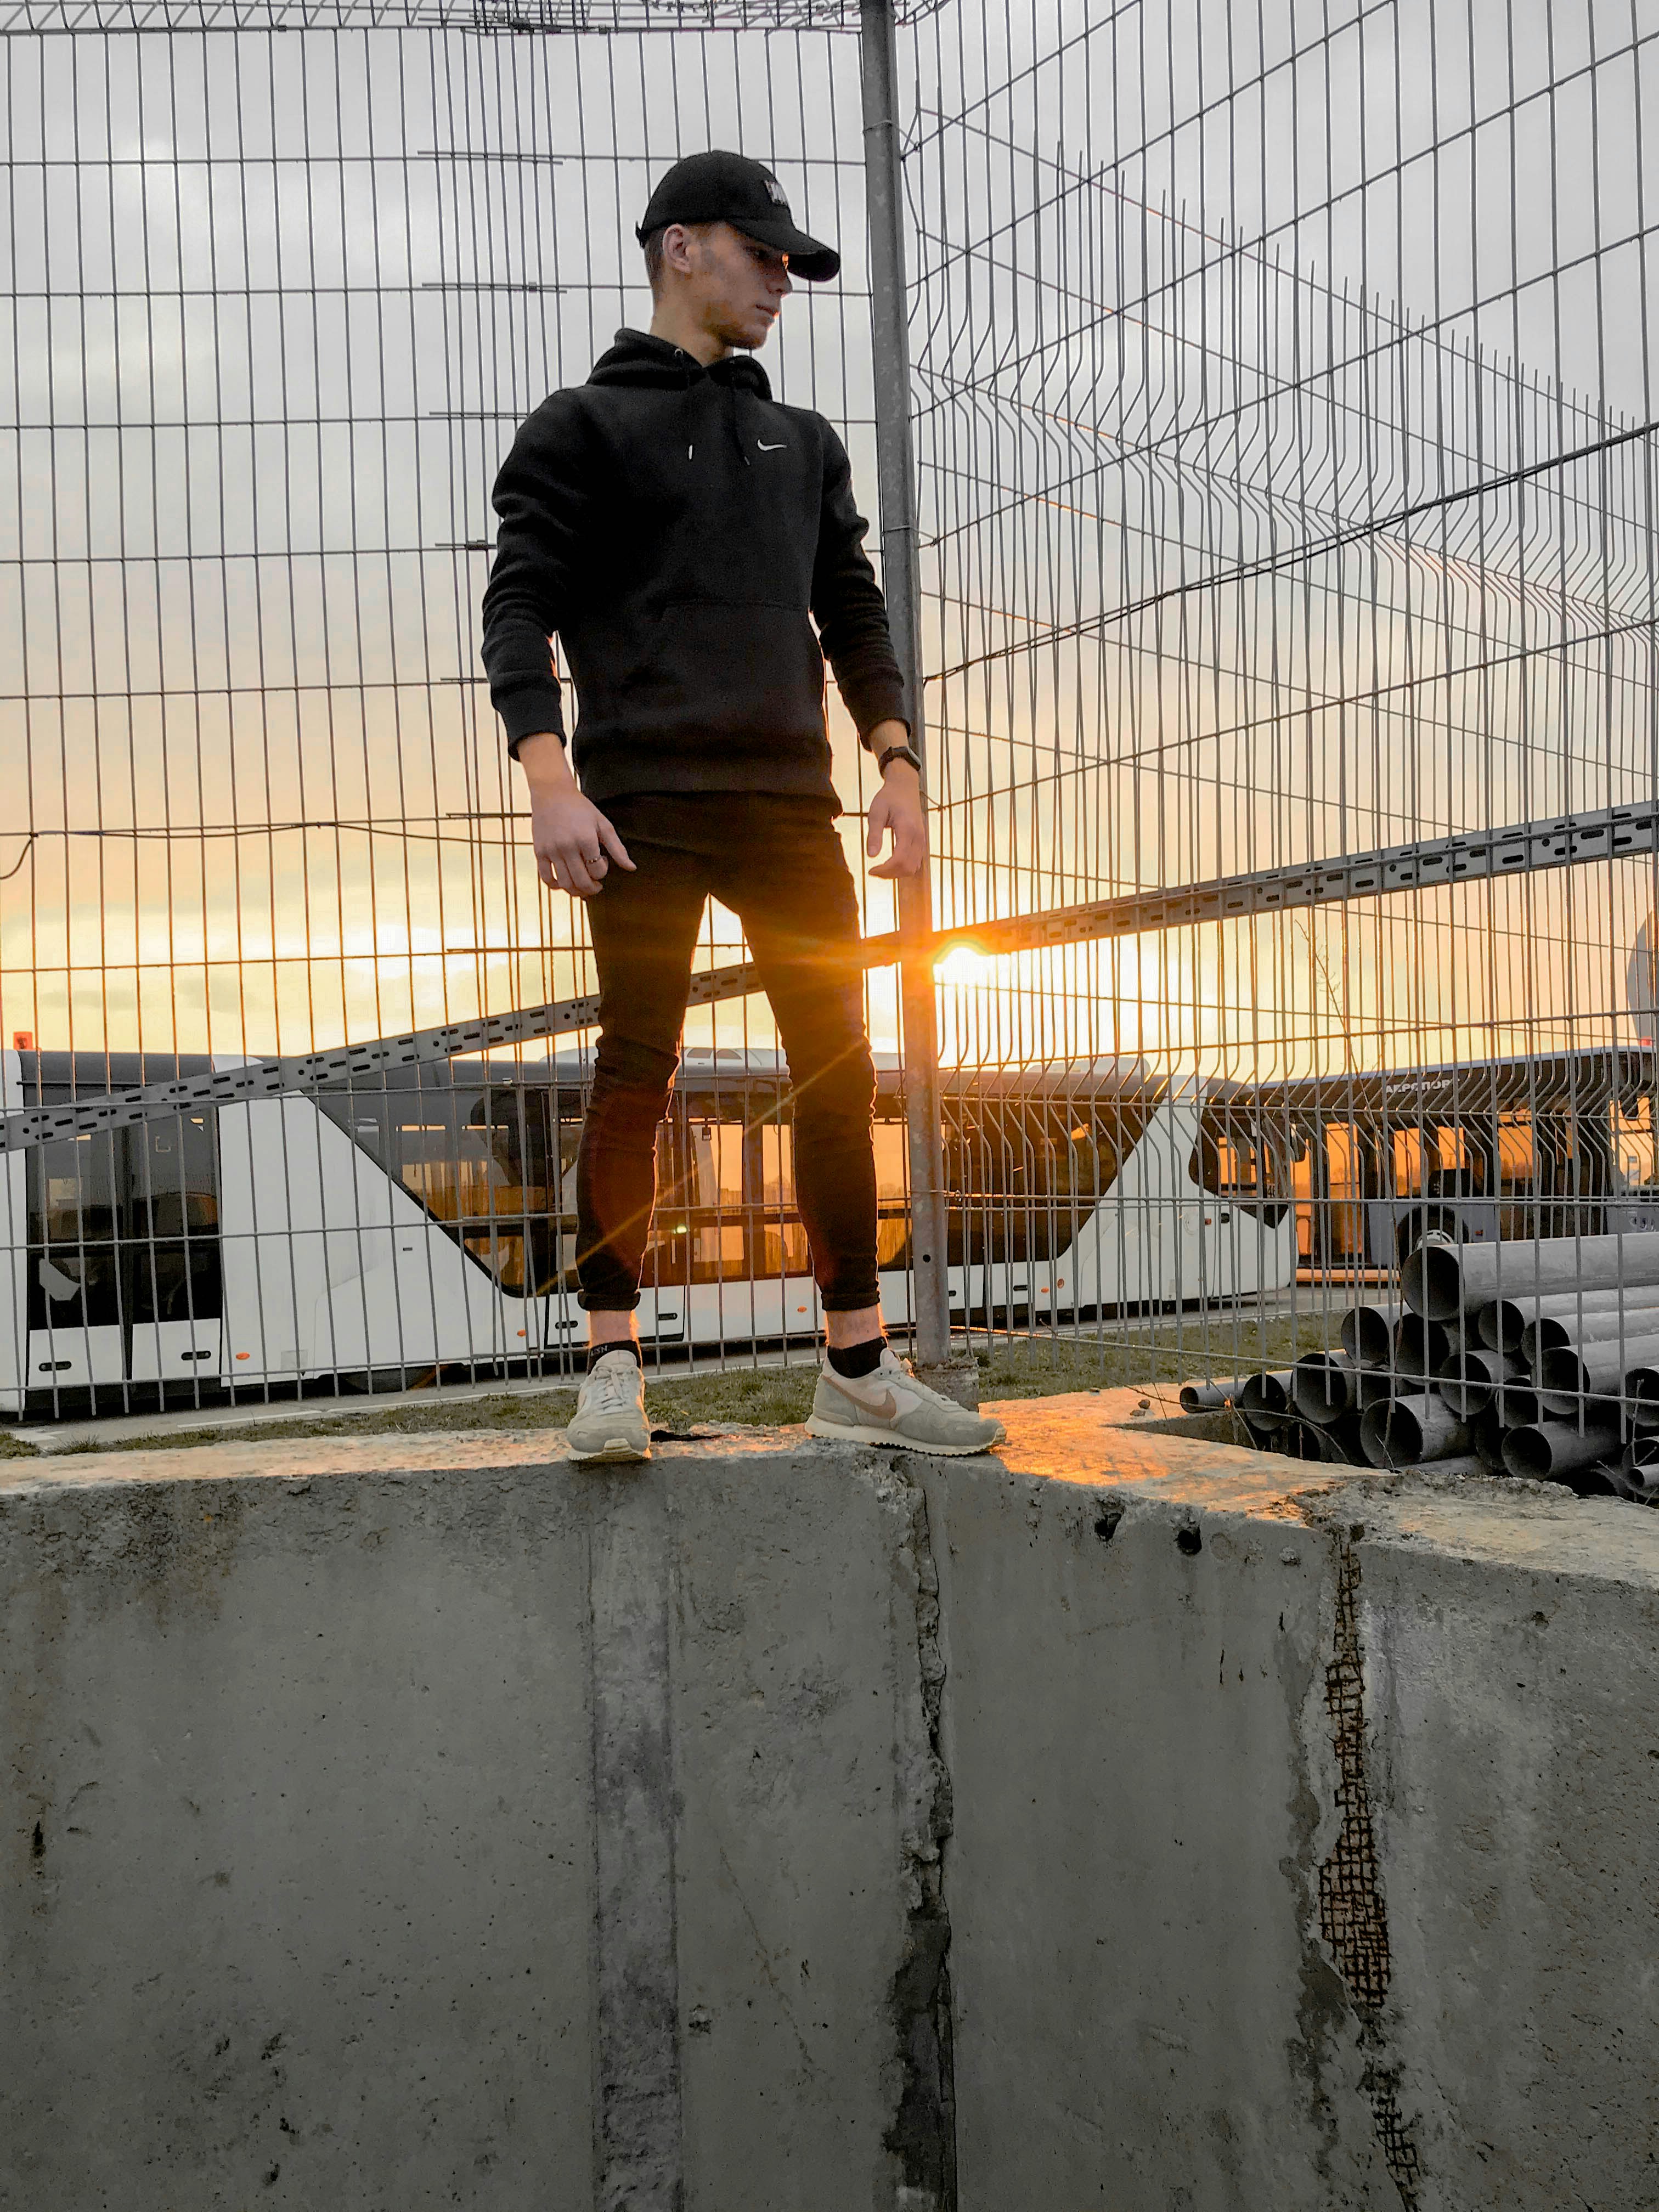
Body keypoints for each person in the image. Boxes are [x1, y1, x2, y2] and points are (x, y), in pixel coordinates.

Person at [481, 149, 1004, 1465]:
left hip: (786, 805)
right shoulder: (579, 426)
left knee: (838, 1073)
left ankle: (857, 1371)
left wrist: (898, 764)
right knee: (636, 1071)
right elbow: (520, 604)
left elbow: (855, 613)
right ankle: (611, 1368)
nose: (781, 280)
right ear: (681, 247)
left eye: (790, 262)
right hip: (637, 802)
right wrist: (549, 781)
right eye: (762, 254)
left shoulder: (802, 444)